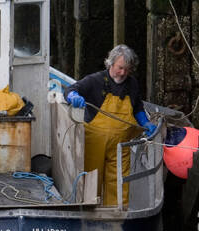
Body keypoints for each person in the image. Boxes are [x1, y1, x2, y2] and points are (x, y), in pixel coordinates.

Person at [65, 45, 157, 207]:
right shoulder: (95, 80)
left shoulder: (132, 84)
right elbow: (71, 89)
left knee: (119, 182)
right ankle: (88, 212)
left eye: (127, 70)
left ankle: (116, 216)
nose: (123, 73)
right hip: (94, 143)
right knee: (92, 179)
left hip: (121, 146)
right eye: (120, 68)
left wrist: (145, 122)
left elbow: (137, 108)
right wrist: (73, 96)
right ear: (111, 64)